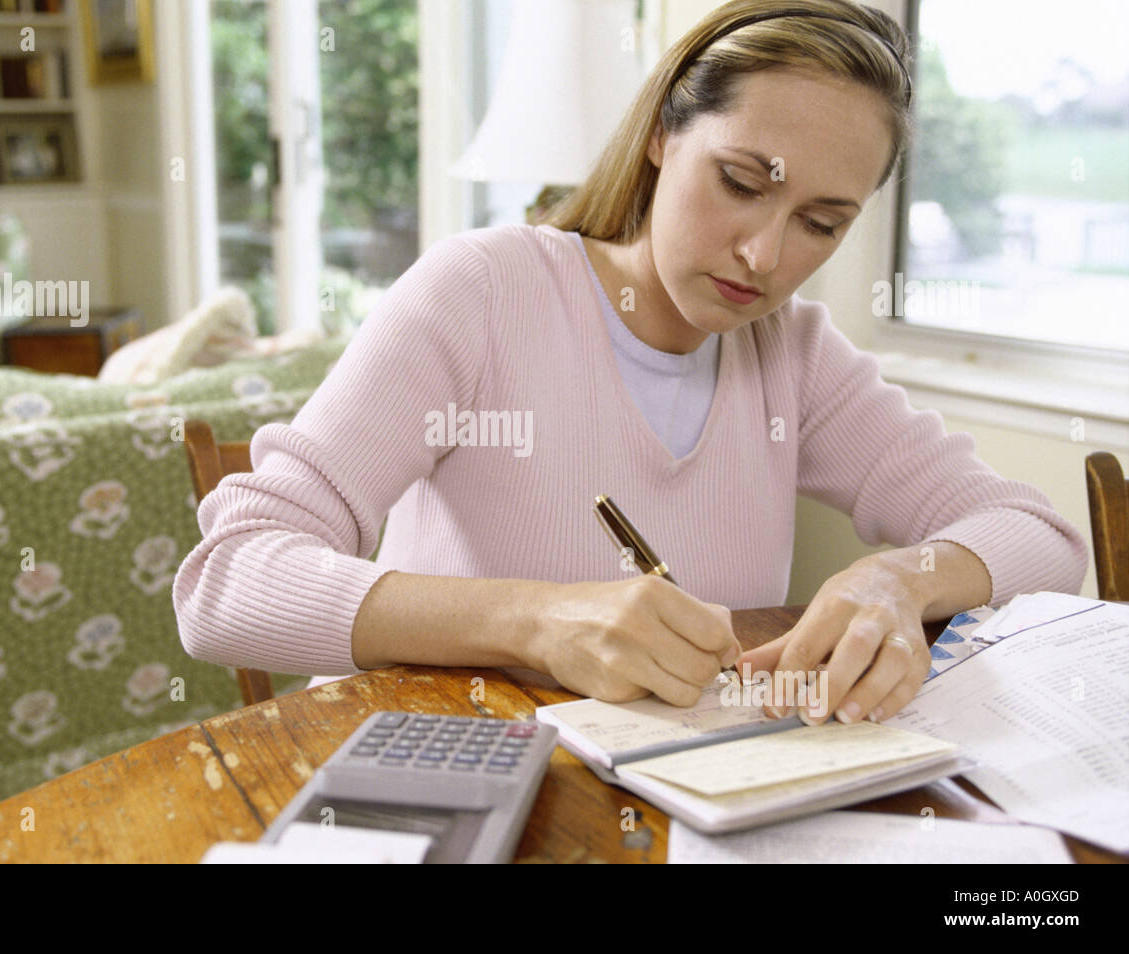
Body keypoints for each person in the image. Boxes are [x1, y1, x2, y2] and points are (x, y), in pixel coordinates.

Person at [173, 0, 1087, 725]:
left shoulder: (794, 354)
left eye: (820, 223)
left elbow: (1040, 534)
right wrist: (537, 620)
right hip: (460, 777)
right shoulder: (483, 293)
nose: (765, 257)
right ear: (660, 136)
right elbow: (228, 583)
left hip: (685, 804)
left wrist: (898, 578)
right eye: (741, 182)